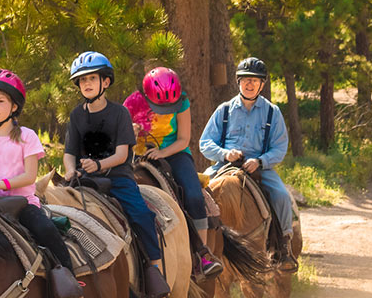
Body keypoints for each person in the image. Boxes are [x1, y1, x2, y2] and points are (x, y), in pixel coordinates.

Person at [0, 69, 86, 298]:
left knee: (46, 230)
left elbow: (30, 176)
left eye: (1, 101)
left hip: (22, 203)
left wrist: (1, 183)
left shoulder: (27, 136)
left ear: (14, 106)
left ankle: (71, 285)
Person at [63, 52, 171, 298]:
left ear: (106, 82)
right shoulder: (76, 116)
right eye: (82, 81)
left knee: (141, 214)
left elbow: (123, 154)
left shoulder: (119, 113)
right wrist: (70, 170)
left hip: (117, 177)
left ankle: (154, 267)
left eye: (92, 78)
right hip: (83, 178)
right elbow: (69, 152)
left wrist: (98, 165)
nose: (87, 84)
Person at [199, 57, 298, 273]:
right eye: (245, 80)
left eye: (254, 80)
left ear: (262, 84)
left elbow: (280, 147)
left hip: (259, 168)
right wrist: (225, 153)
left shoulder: (273, 112)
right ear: (238, 82)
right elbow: (204, 143)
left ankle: (283, 247)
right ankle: (197, 248)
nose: (249, 84)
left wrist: (261, 161)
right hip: (223, 166)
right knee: (198, 192)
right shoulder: (224, 110)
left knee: (281, 195)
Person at [124, 66, 223, 278]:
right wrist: (130, 133)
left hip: (174, 153)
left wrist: (163, 152)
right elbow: (120, 139)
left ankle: (202, 256)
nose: (168, 109)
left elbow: (183, 139)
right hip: (136, 153)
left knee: (195, 196)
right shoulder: (132, 103)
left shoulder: (183, 102)